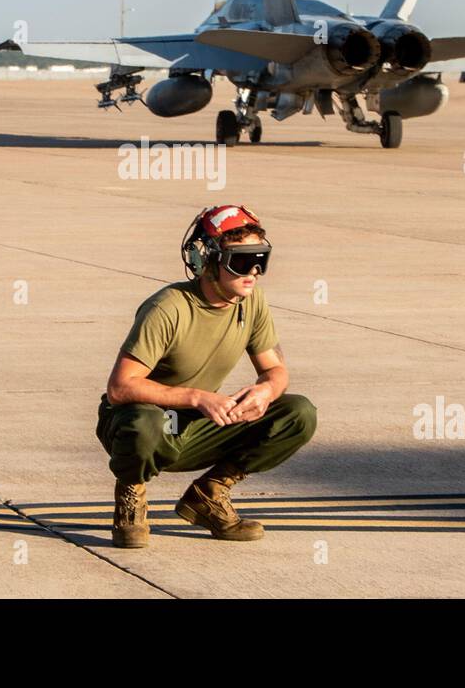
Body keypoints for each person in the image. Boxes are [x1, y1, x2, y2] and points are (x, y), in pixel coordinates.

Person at [97, 205, 317, 548]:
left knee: (298, 413)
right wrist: (197, 397)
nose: (255, 271)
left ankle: (209, 494)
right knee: (145, 423)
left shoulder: (251, 302)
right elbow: (120, 388)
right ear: (208, 261)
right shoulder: (168, 307)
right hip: (149, 421)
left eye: (262, 259)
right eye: (243, 261)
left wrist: (266, 392)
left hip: (199, 424)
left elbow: (275, 370)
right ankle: (131, 495)